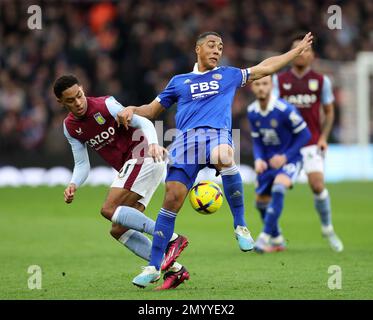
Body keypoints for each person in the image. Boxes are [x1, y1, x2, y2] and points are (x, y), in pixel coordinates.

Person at [117, 31, 314, 287]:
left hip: (216, 134)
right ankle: (155, 265)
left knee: (223, 154)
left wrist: (295, 52)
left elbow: (265, 67)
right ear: (197, 49)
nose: (217, 50)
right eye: (211, 45)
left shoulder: (229, 75)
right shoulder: (179, 81)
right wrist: (132, 109)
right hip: (185, 142)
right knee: (172, 198)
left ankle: (240, 226)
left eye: (220, 46)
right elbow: (152, 110)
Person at [54, 74, 190, 290]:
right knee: (118, 229)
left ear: (83, 89)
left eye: (79, 95)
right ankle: (175, 270)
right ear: (61, 102)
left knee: (109, 209)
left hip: (144, 155)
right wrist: (73, 184)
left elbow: (142, 120)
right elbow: (82, 165)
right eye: (70, 100)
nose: (78, 103)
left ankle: (172, 238)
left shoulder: (105, 105)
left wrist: (154, 143)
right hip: (134, 166)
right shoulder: (70, 127)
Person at [272, 34, 343, 252]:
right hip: (287, 147)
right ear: (290, 55)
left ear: (313, 56)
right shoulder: (279, 81)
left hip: (311, 143)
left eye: (306, 50)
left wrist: (323, 137)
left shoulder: (322, 81)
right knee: (273, 189)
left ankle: (328, 228)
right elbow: (273, 110)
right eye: (297, 49)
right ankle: (273, 235)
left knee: (318, 185)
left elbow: (329, 112)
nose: (302, 53)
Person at [247, 76, 311, 252]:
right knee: (260, 203)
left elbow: (305, 134)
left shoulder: (284, 109)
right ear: (252, 88)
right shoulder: (252, 111)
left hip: (290, 160)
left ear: (271, 86)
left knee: (279, 188)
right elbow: (257, 140)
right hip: (268, 163)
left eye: (265, 84)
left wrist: (285, 156)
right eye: (257, 84)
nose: (261, 88)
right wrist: (258, 158)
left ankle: (264, 236)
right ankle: (277, 239)